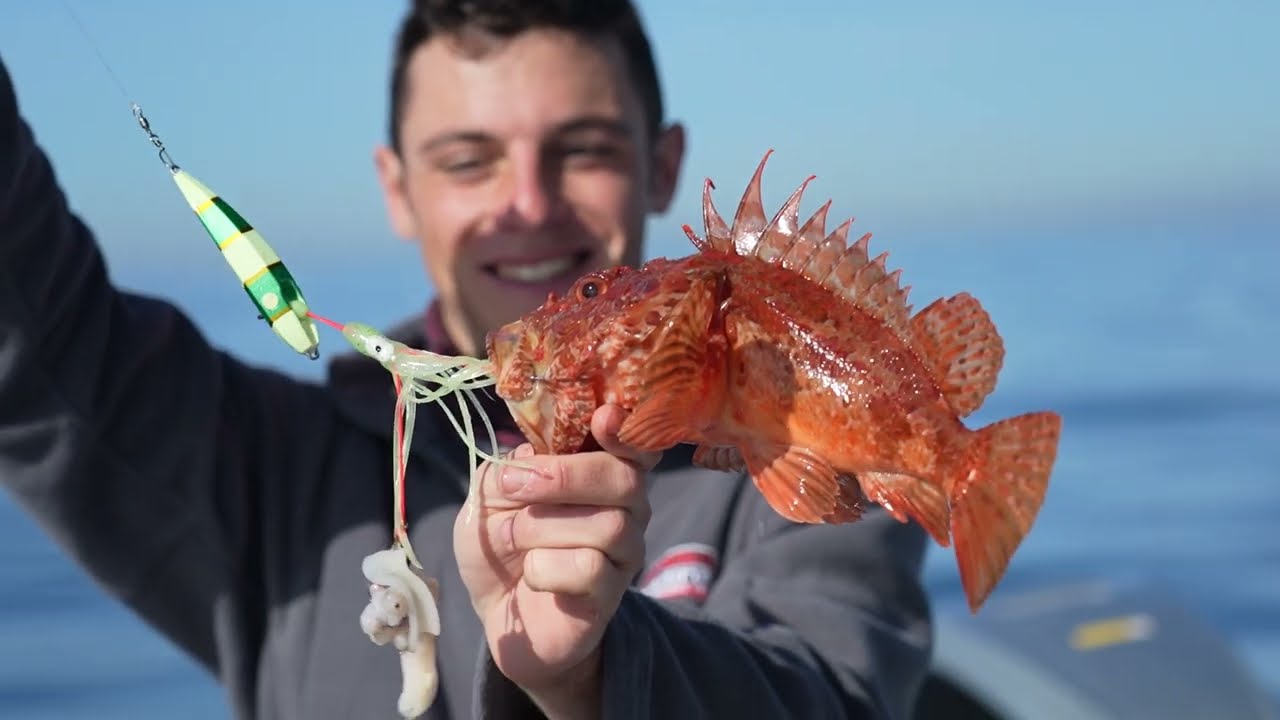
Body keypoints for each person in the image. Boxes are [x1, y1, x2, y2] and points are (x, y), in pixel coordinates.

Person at [0, 1, 934, 718]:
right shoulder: (271, 469)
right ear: (397, 188)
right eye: (466, 160)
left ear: (661, 165)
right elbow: (33, 333)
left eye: (583, 150)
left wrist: (594, 673)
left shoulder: (802, 433)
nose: (527, 204)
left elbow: (830, 694)